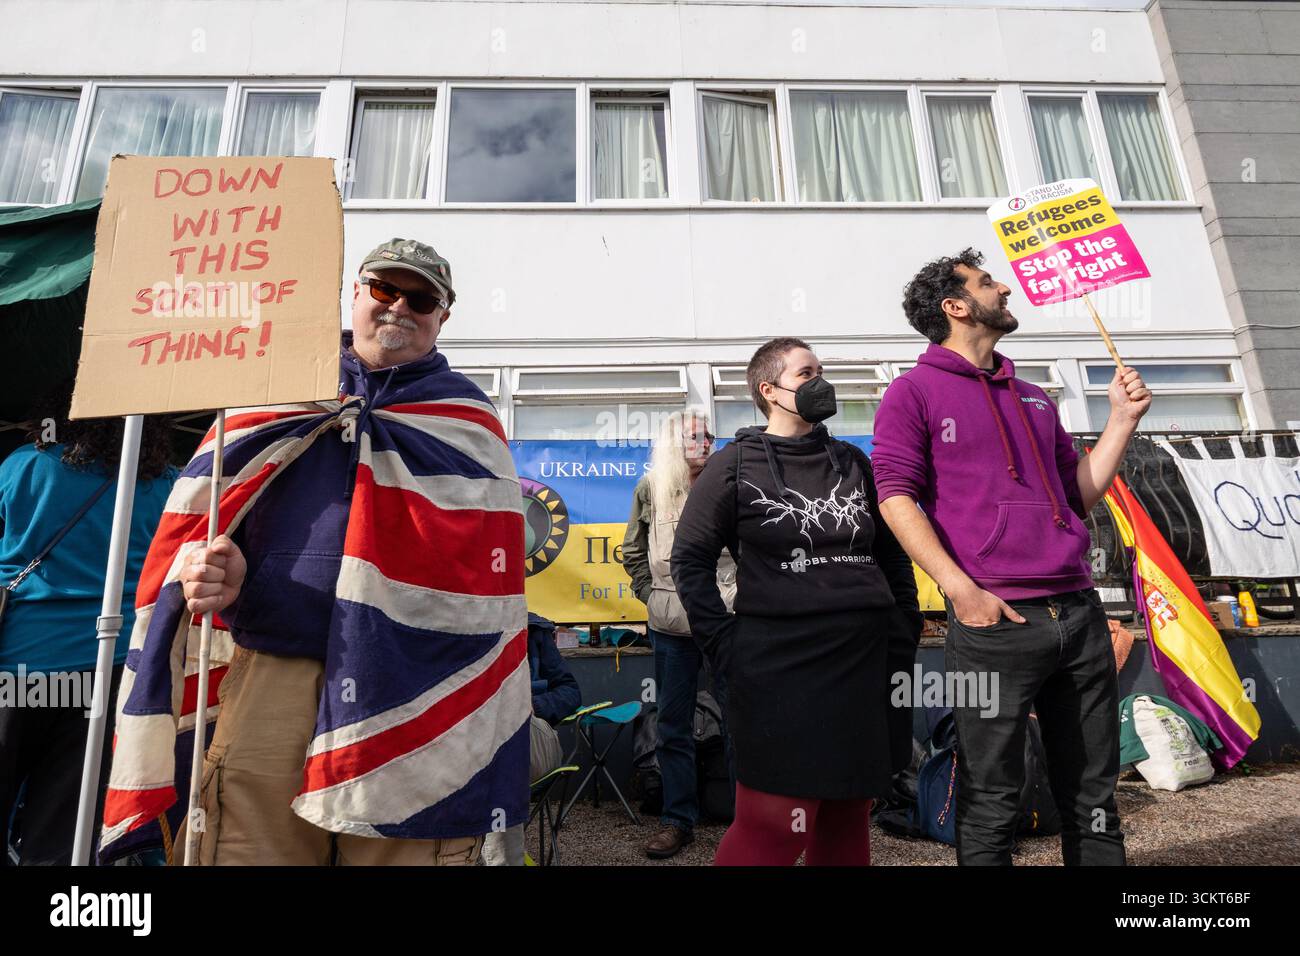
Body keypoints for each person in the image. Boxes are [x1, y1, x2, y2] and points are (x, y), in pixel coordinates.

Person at [100, 238, 531, 866]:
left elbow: (486, 575)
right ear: (355, 294)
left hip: (414, 685)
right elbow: (204, 522)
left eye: (421, 298)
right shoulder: (276, 386)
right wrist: (211, 570)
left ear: (444, 316)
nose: (399, 308)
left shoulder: (464, 419)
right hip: (274, 665)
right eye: (384, 289)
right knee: (250, 850)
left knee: (404, 855)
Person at [872, 248, 1151, 866]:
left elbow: (1076, 496)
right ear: (956, 306)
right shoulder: (910, 393)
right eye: (988, 282)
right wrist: (960, 591)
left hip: (1077, 614)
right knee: (992, 797)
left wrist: (1122, 422)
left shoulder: (1033, 395)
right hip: (993, 623)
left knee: (1093, 793)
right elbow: (894, 497)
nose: (1005, 289)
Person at [671, 338, 922, 866]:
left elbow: (893, 553)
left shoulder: (853, 460)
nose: (821, 383)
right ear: (769, 391)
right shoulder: (733, 465)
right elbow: (690, 561)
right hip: (779, 665)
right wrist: (723, 643)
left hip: (865, 661)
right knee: (774, 825)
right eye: (807, 374)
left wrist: (904, 623)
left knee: (848, 815)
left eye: (822, 371)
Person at [0, 380, 177, 864]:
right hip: (105, 675)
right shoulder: (168, 486)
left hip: (18, 667)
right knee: (63, 832)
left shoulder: (24, 466)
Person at [621, 408, 736, 859]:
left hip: (728, 620)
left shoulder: (730, 483)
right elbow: (632, 550)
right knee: (673, 724)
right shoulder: (650, 488)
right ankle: (677, 821)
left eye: (709, 435)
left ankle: (750, 820)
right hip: (671, 625)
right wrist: (652, 596)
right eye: (694, 437)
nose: (705, 442)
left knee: (740, 722)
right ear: (673, 442)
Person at [481, 612, 579, 865]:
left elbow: (570, 693)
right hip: (471, 741)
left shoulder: (533, 629)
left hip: (530, 736)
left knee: (503, 731)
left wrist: (533, 704)